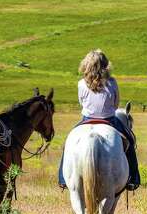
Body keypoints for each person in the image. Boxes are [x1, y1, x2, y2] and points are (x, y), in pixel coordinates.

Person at [58, 49, 140, 191]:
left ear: (86, 65)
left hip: (86, 120)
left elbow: (81, 103)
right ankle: (134, 178)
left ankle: (63, 178)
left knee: (68, 142)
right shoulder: (112, 82)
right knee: (130, 141)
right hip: (110, 120)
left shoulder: (81, 83)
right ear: (105, 66)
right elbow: (116, 104)